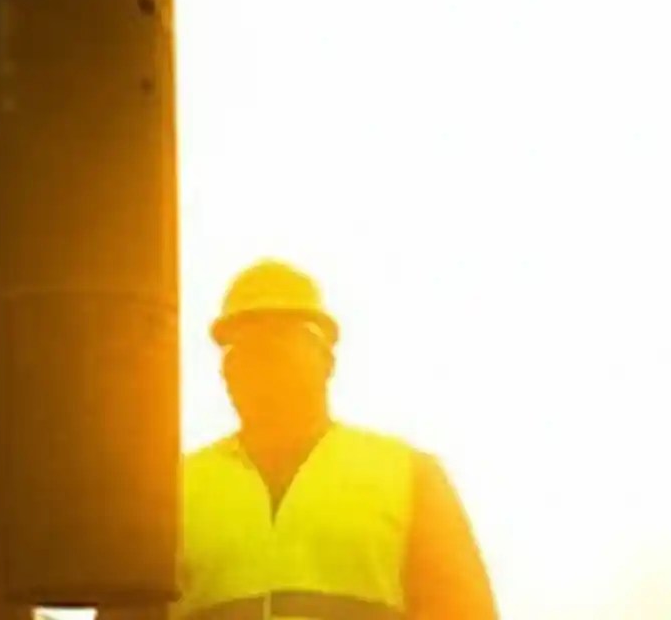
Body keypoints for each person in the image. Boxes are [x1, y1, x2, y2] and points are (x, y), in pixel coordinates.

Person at [103, 259, 498, 620]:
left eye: (278, 340)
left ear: (326, 361)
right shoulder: (169, 493)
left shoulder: (408, 476)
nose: (259, 360)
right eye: (241, 348)